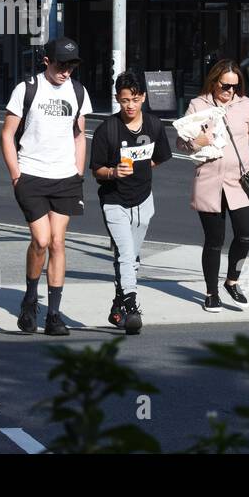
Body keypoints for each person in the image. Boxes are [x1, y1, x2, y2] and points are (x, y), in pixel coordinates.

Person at [1, 36, 93, 336]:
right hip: (32, 174)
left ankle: (53, 315)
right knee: (40, 241)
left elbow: (80, 135)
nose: (66, 71)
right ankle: (30, 299)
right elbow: (7, 133)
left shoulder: (78, 92)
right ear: (46, 61)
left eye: (72, 66)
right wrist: (16, 174)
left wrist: (78, 172)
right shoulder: (27, 88)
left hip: (65, 177)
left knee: (57, 242)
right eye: (60, 65)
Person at [176, 59, 249, 313]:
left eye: (234, 87)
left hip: (239, 181)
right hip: (209, 180)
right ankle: (211, 293)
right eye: (225, 86)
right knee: (214, 240)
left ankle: (232, 281)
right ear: (214, 82)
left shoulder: (245, 105)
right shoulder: (198, 105)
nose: (229, 91)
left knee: (245, 234)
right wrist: (197, 142)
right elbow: (181, 143)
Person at [90, 71, 172, 334]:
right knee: (125, 254)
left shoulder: (154, 125)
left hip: (144, 199)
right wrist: (114, 172)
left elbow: (159, 156)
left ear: (143, 98)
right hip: (114, 200)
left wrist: (142, 167)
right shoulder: (107, 130)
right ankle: (132, 308)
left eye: (135, 100)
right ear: (117, 99)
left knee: (132, 259)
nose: (130, 105)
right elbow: (96, 170)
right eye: (125, 100)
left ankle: (117, 306)